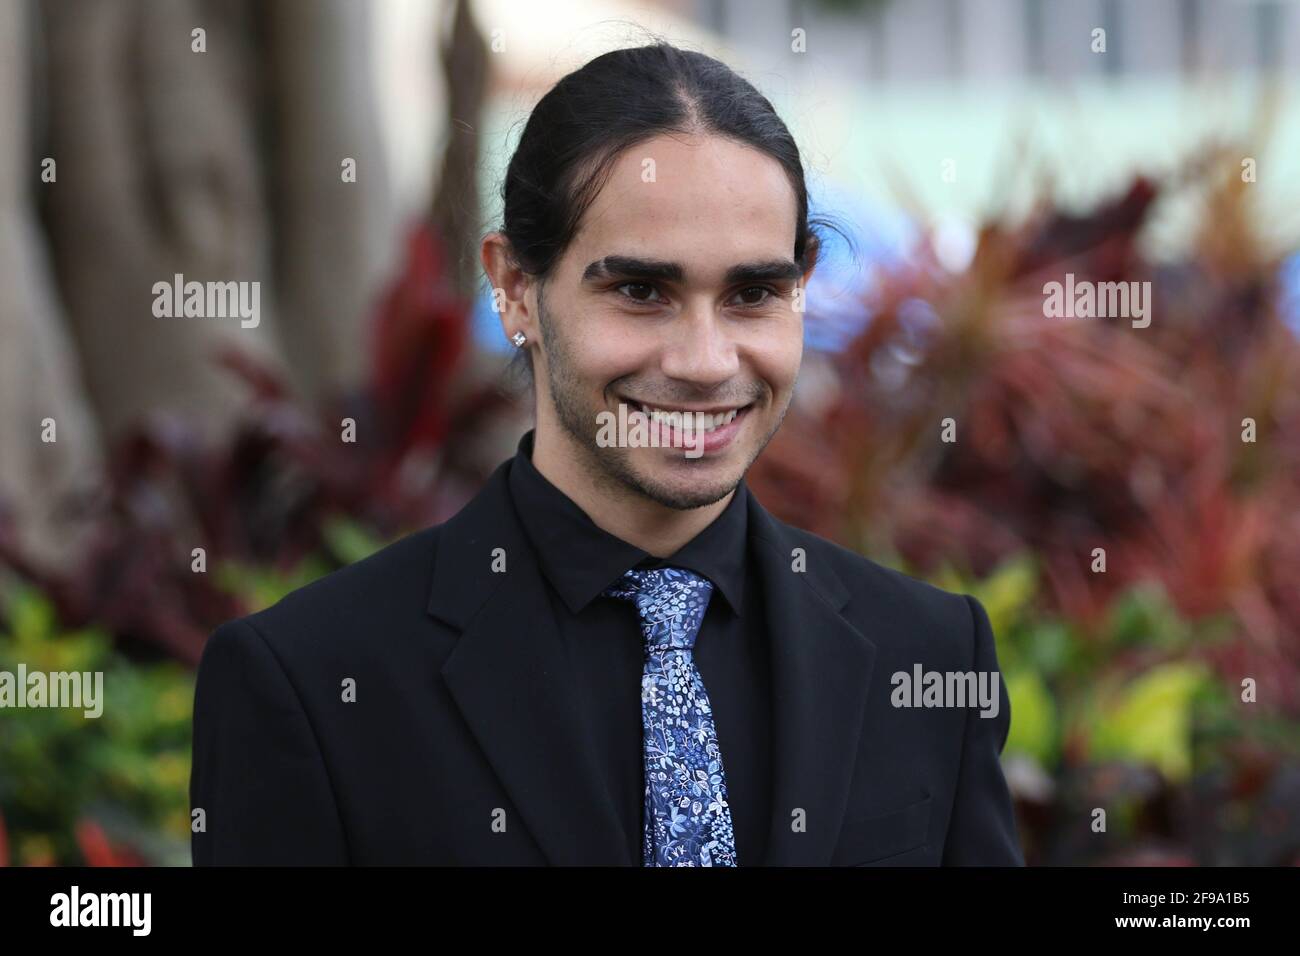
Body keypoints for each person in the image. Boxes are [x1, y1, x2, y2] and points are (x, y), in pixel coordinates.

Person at [190, 41, 1023, 866]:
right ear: (515, 287)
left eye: (753, 294)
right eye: (640, 292)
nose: (705, 363)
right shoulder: (310, 682)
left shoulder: (931, 657)